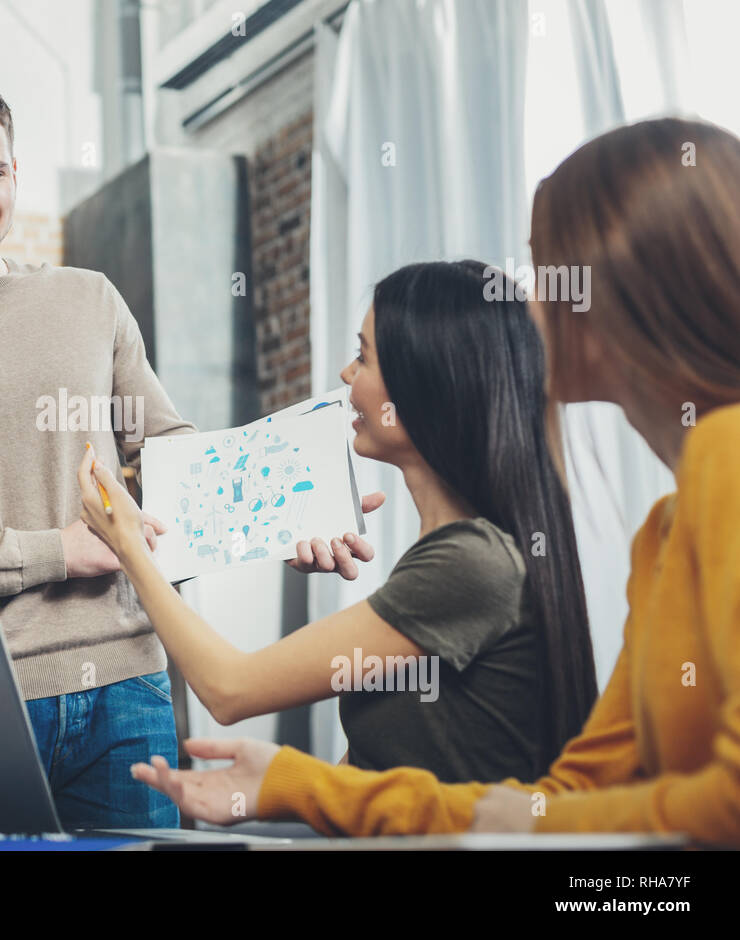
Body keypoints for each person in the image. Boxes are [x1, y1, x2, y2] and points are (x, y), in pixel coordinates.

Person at [125, 116, 740, 845]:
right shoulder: (662, 531)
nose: (529, 307)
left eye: (549, 277)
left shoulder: (724, 459)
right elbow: (571, 797)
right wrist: (297, 785)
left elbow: (712, 813)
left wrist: (123, 540)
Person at [0, 73, 376, 829]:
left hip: (128, 676)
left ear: (14, 175)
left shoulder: (88, 300)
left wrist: (288, 513)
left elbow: (170, 446)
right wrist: (56, 553)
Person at [79, 260, 596, 785]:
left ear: (427, 382)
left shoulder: (470, 564)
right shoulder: (454, 554)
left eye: (363, 357)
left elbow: (229, 690)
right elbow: (378, 762)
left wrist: (129, 548)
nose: (348, 374)